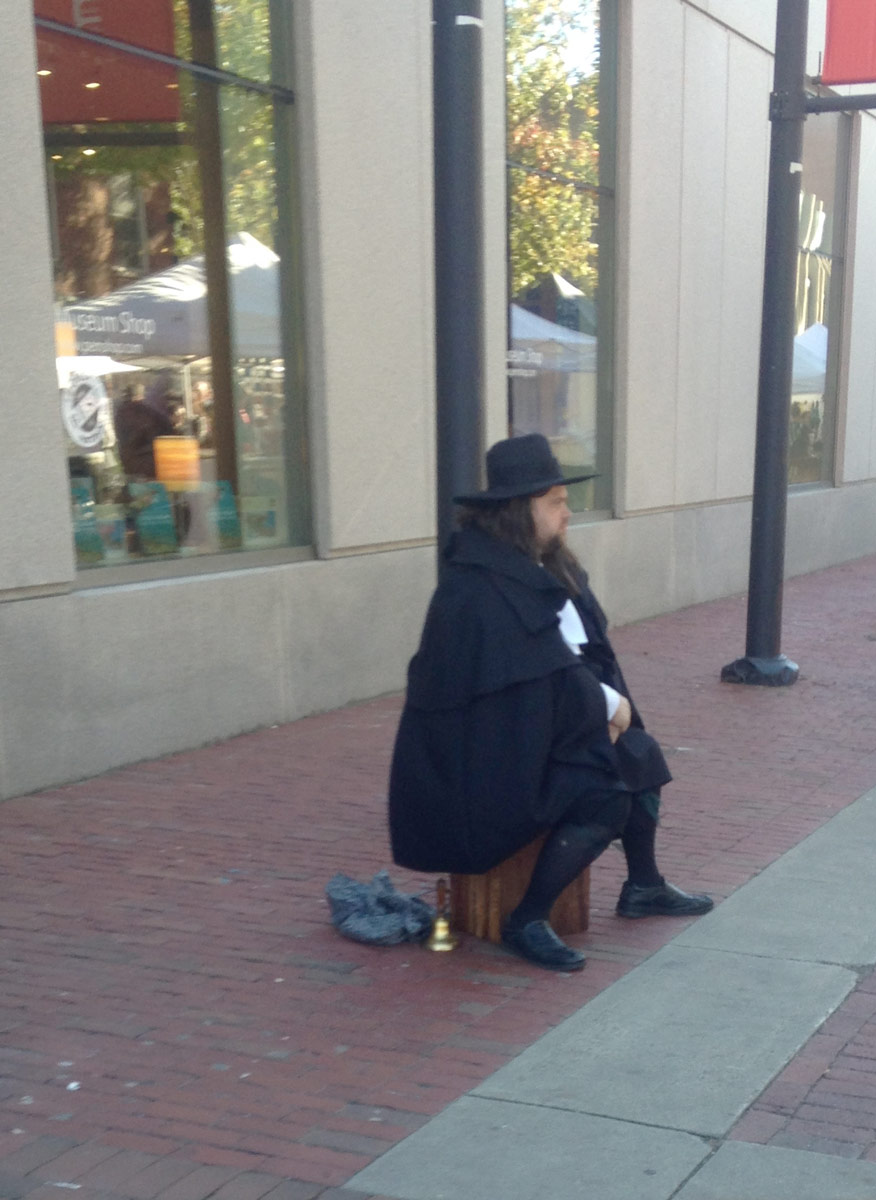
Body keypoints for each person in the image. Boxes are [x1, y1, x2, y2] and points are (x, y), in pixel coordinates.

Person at [388, 433, 713, 972]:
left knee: (638, 754)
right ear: (521, 511)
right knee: (603, 793)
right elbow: (526, 680)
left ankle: (643, 885)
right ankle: (527, 919)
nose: (568, 513)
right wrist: (601, 709)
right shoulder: (477, 587)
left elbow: (575, 658)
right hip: (482, 768)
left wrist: (608, 711)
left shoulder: (547, 568)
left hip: (541, 733)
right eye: (556, 502)